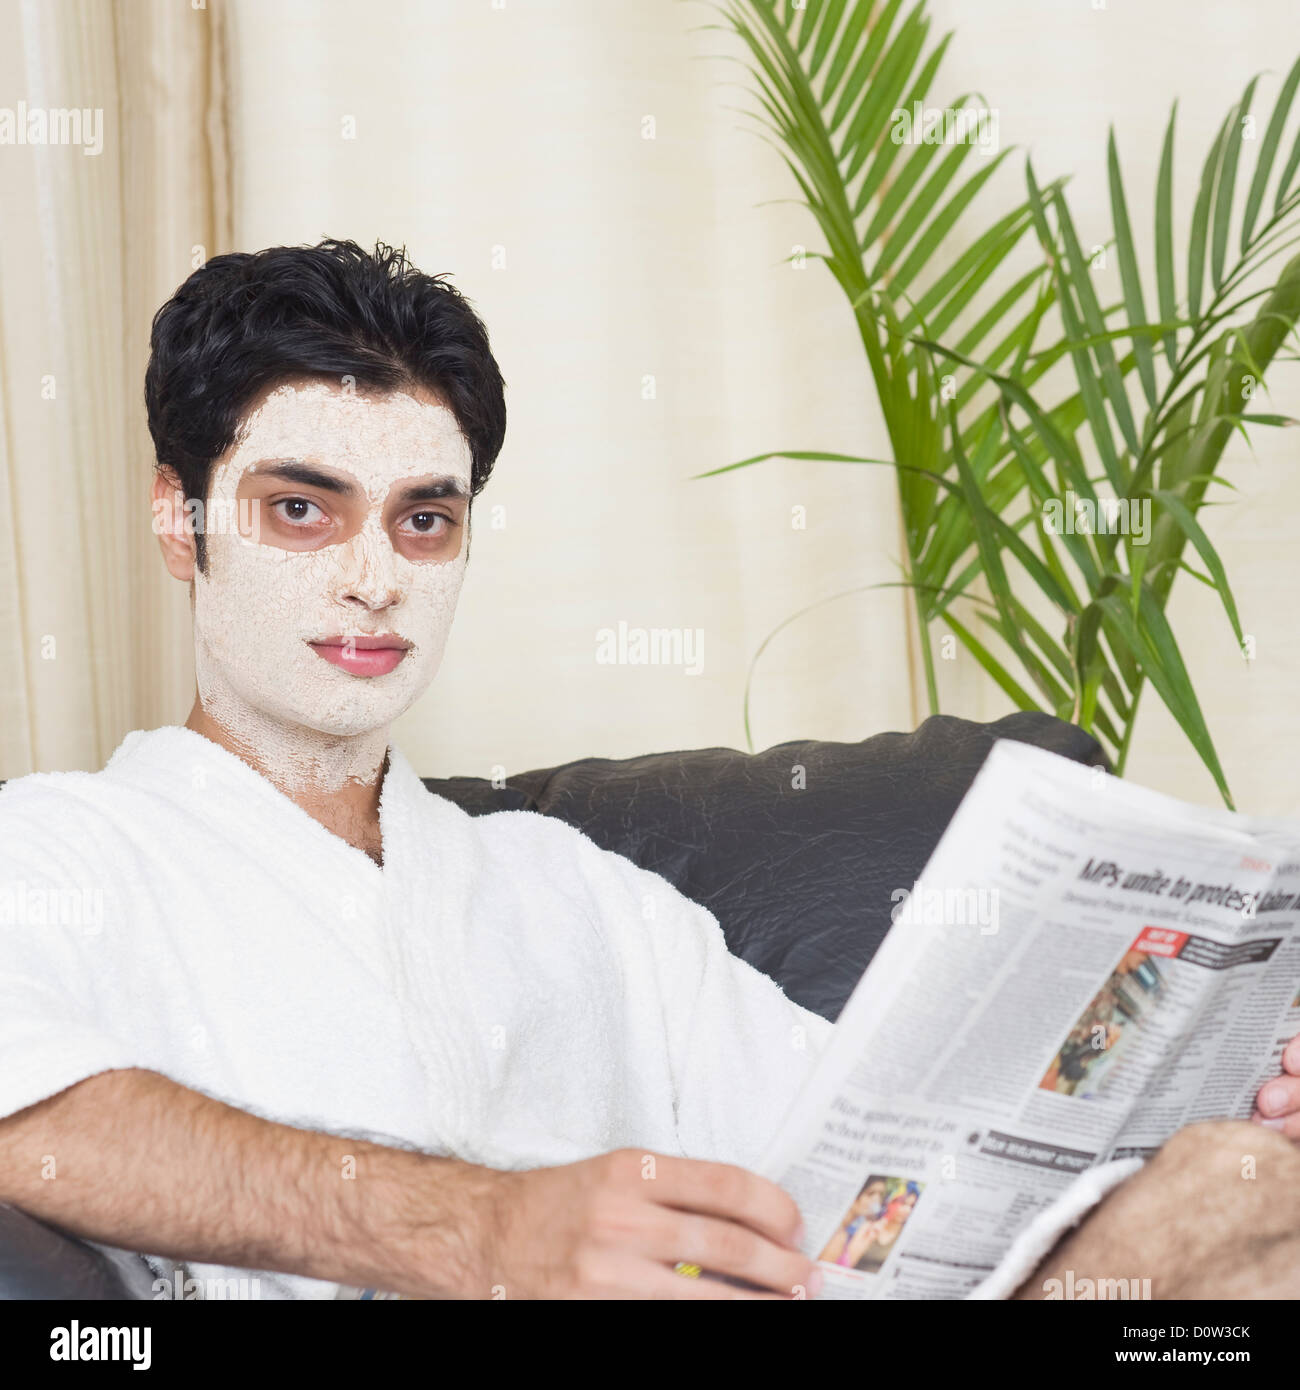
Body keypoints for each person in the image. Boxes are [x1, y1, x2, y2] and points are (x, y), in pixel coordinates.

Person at [2, 239, 1300, 1302]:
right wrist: (482, 1230)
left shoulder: (578, 893)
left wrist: (1208, 1086)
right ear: (179, 523)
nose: (374, 573)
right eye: (303, 507)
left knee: (1247, 1191)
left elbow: (880, 1174)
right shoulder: (65, 850)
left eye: (426, 517)